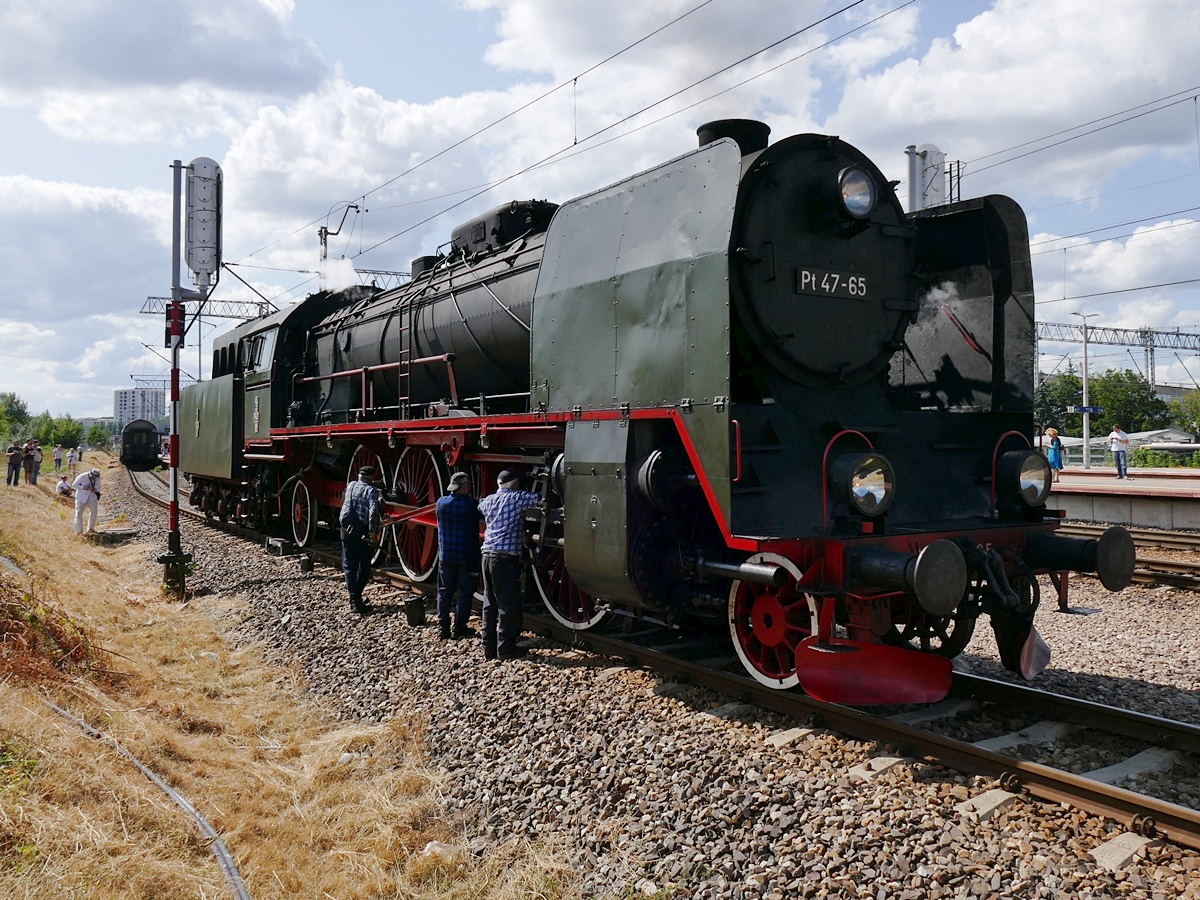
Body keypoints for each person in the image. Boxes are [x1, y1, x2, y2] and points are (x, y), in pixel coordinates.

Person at [477, 469, 541, 660]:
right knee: (507, 603)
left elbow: (479, 507)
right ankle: (506, 649)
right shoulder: (518, 498)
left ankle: (488, 647)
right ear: (514, 483)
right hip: (504, 558)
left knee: (489, 603)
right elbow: (538, 499)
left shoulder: (488, 500)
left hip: (486, 555)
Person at [435, 472, 483, 640]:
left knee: (444, 591)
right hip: (466, 556)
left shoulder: (441, 503)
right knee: (465, 592)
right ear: (465, 486)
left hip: (446, 555)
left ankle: (443, 627)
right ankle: (459, 628)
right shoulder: (471, 505)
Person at [339, 465, 381, 615]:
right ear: (371, 478)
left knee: (349, 564)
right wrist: (373, 534)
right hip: (360, 530)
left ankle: (353, 598)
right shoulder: (371, 490)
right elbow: (373, 512)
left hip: (345, 528)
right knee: (364, 565)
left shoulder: (351, 485)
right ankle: (356, 599)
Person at [72, 467, 102, 534]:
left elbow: (99, 487)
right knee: (78, 513)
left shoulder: (98, 478)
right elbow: (74, 485)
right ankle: (79, 532)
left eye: (95, 477)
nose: (94, 478)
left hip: (92, 497)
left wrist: (95, 490)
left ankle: (90, 529)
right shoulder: (83, 476)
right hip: (81, 497)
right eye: (93, 476)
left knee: (94, 512)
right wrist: (83, 487)